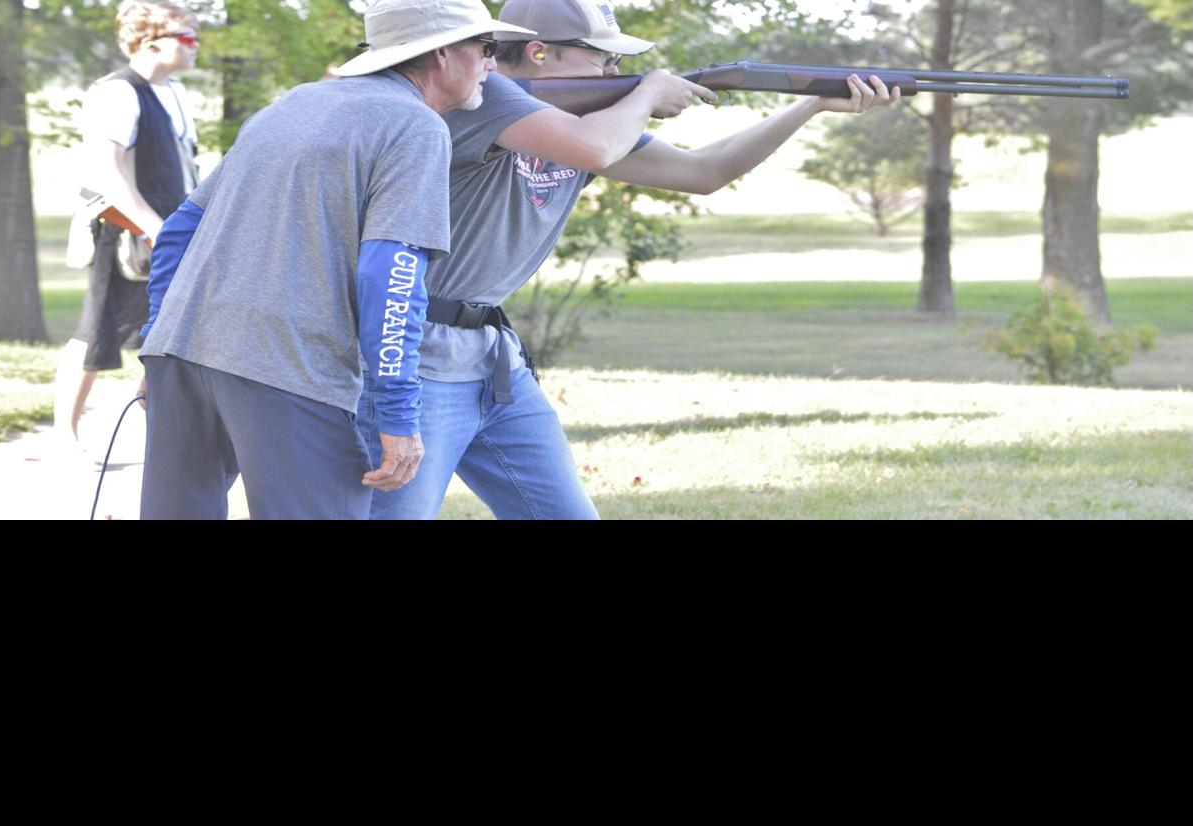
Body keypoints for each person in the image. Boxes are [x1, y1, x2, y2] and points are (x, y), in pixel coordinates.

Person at [357, 0, 899, 519]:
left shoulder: (592, 123)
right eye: (604, 58)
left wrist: (808, 105)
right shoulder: (485, 95)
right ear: (542, 53)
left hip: (492, 359)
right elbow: (593, 150)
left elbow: (704, 173)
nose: (616, 71)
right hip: (418, 355)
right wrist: (647, 95)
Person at [134, 0, 536, 519]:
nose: (492, 64)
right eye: (484, 48)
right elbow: (391, 277)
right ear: (440, 54)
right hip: (287, 367)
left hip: (181, 356)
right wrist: (398, 414)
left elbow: (177, 233)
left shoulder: (295, 102)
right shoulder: (415, 126)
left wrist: (157, 339)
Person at [55, 0, 199, 444]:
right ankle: (66, 435)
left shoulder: (171, 92)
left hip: (162, 235)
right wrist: (155, 228)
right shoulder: (117, 92)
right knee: (95, 333)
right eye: (187, 37)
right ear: (150, 41)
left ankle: (164, 434)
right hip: (121, 233)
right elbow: (109, 173)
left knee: (167, 332)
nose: (196, 46)